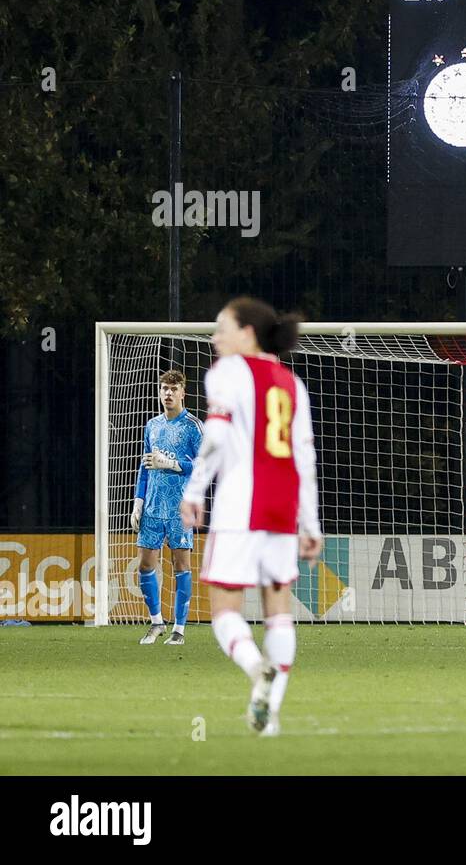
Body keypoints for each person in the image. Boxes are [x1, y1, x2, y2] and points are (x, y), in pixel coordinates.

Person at [181, 297, 323, 736]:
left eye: (221, 327)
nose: (214, 336)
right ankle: (269, 716)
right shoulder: (290, 382)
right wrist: (311, 523)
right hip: (282, 508)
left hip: (240, 506)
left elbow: (218, 435)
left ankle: (254, 665)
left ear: (247, 333)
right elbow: (304, 457)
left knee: (224, 609)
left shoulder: (227, 372)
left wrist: (194, 488)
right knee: (278, 610)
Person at [132, 370, 203, 646]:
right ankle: (156, 623)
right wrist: (138, 501)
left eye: (174, 389)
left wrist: (173, 464)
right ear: (159, 392)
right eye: (164, 388)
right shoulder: (152, 426)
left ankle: (179, 629)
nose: (168, 393)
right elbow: (145, 466)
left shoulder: (192, 426)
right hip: (151, 506)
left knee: (180, 565)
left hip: (180, 507)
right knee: (146, 564)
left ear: (183, 392)